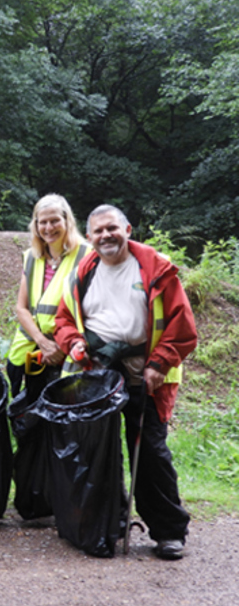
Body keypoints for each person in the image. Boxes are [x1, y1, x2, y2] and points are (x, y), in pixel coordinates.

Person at [54, 204, 197, 560]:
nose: (106, 236)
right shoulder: (82, 273)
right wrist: (73, 341)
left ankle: (168, 531)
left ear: (128, 229)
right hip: (98, 376)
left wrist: (160, 364)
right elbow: (64, 320)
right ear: (89, 238)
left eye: (112, 228)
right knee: (98, 453)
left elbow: (183, 329)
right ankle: (107, 524)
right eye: (98, 231)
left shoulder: (156, 269)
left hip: (145, 375)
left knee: (150, 452)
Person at [6, 194, 90, 403]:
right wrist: (42, 342)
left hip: (67, 348)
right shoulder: (31, 257)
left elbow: (92, 310)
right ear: (35, 226)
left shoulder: (87, 256)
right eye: (42, 222)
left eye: (54, 221)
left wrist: (61, 346)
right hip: (35, 347)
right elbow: (22, 308)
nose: (48, 227)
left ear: (67, 221)